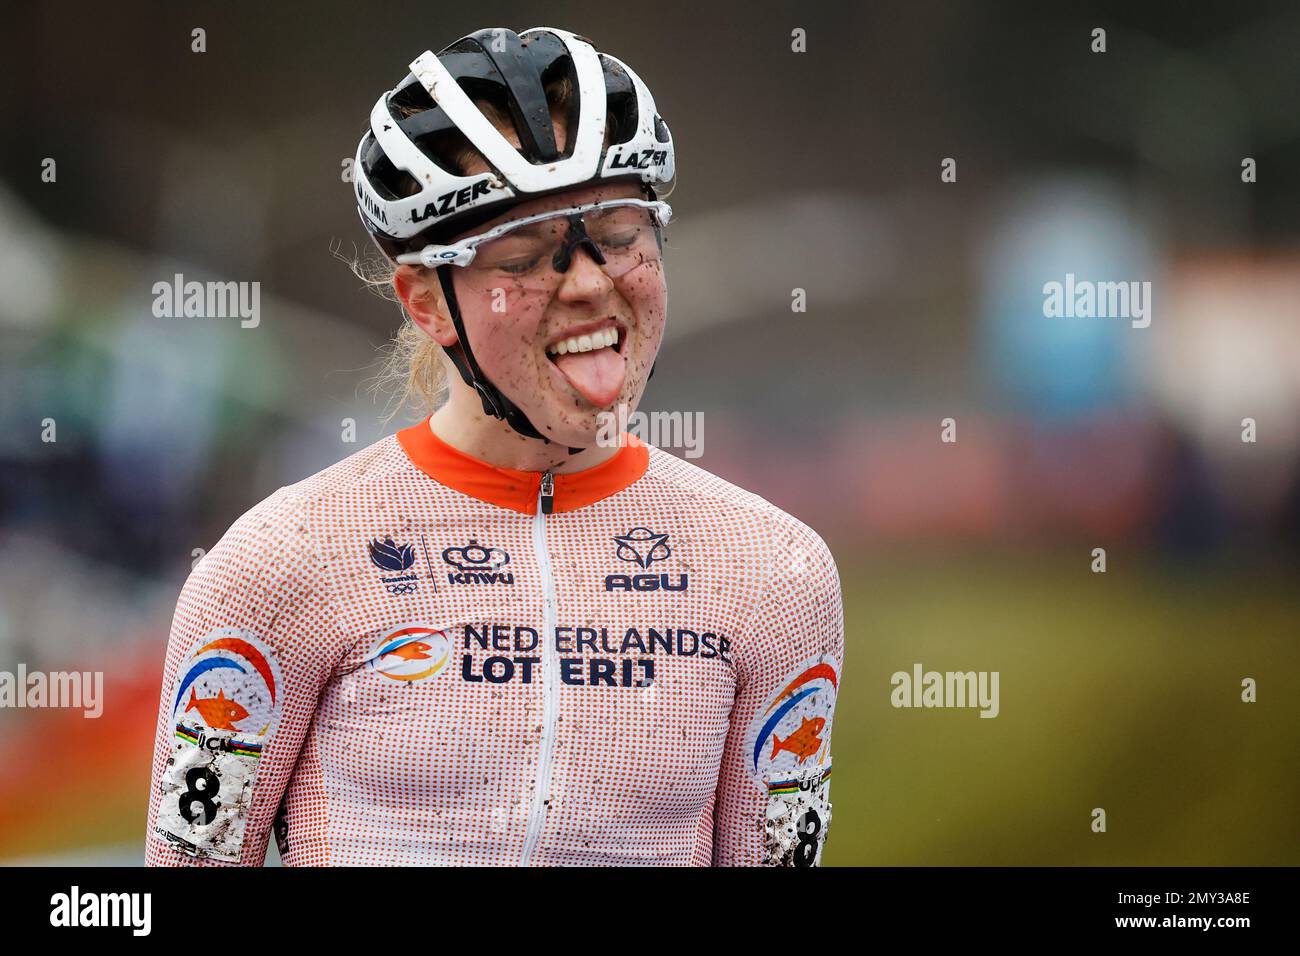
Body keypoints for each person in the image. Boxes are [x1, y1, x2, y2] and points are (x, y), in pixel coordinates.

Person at [144, 25, 844, 867]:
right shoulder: (283, 563)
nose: (588, 282)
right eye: (524, 254)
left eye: (619, 234)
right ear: (427, 303)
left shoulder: (775, 575)